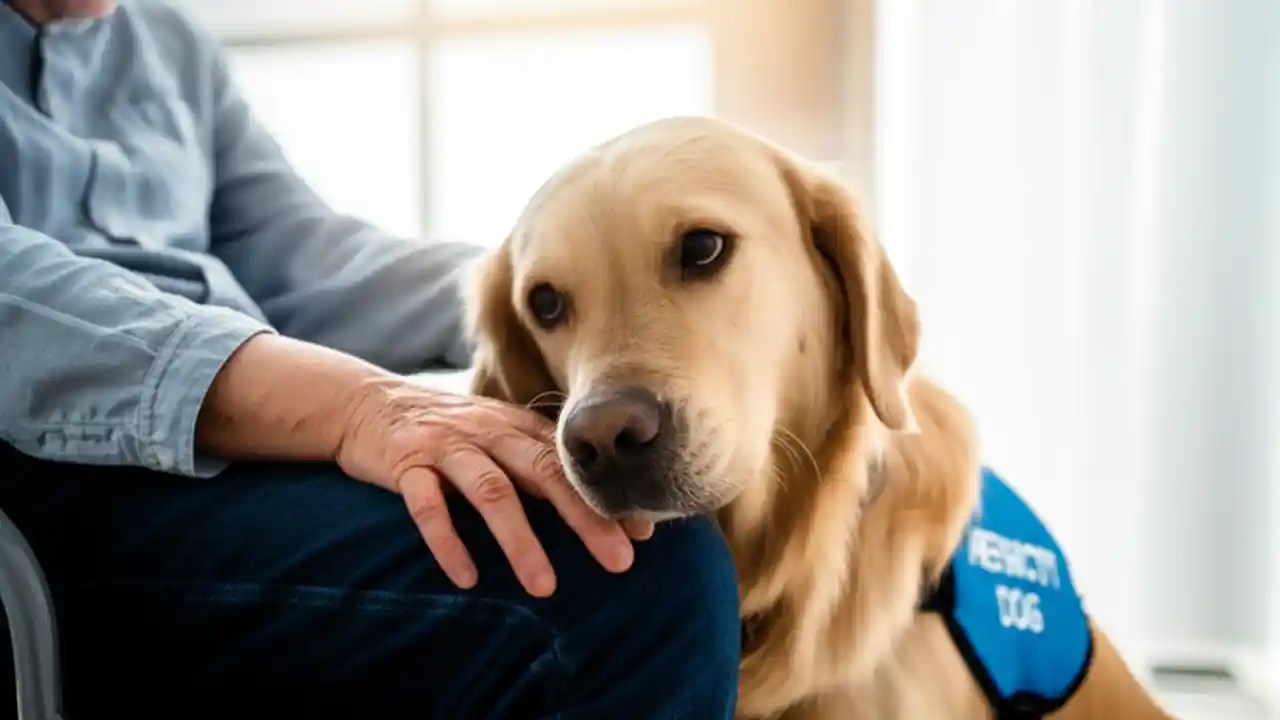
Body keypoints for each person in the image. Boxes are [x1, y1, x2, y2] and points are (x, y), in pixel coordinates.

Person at [0, 0, 741, 716]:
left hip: (243, 466)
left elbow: (300, 258)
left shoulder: (166, 43)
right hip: (54, 495)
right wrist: (360, 407)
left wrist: (541, 296)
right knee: (634, 581)